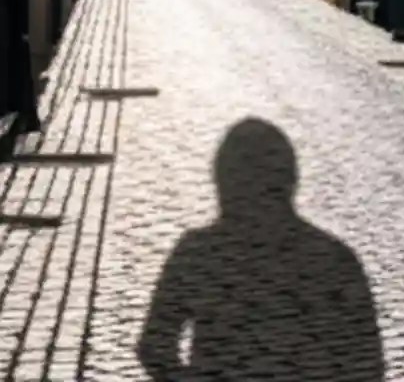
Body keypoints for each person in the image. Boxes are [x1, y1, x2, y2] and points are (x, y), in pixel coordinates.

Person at [138, 118, 385, 380]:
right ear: (290, 180)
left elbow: (154, 347)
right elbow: (367, 363)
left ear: (222, 181)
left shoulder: (198, 253)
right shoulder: (333, 259)